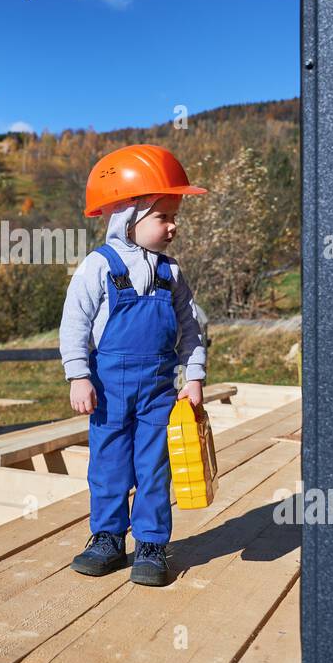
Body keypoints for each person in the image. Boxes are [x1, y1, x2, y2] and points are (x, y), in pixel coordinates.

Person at [58, 144, 208, 586]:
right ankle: (106, 538)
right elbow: (74, 325)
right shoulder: (96, 268)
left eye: (175, 216)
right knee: (107, 465)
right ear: (129, 216)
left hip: (159, 391)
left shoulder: (171, 274)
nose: (173, 226)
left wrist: (194, 375)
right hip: (107, 391)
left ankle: (151, 544)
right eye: (164, 217)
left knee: (154, 467)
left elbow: (192, 330)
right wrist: (78, 375)